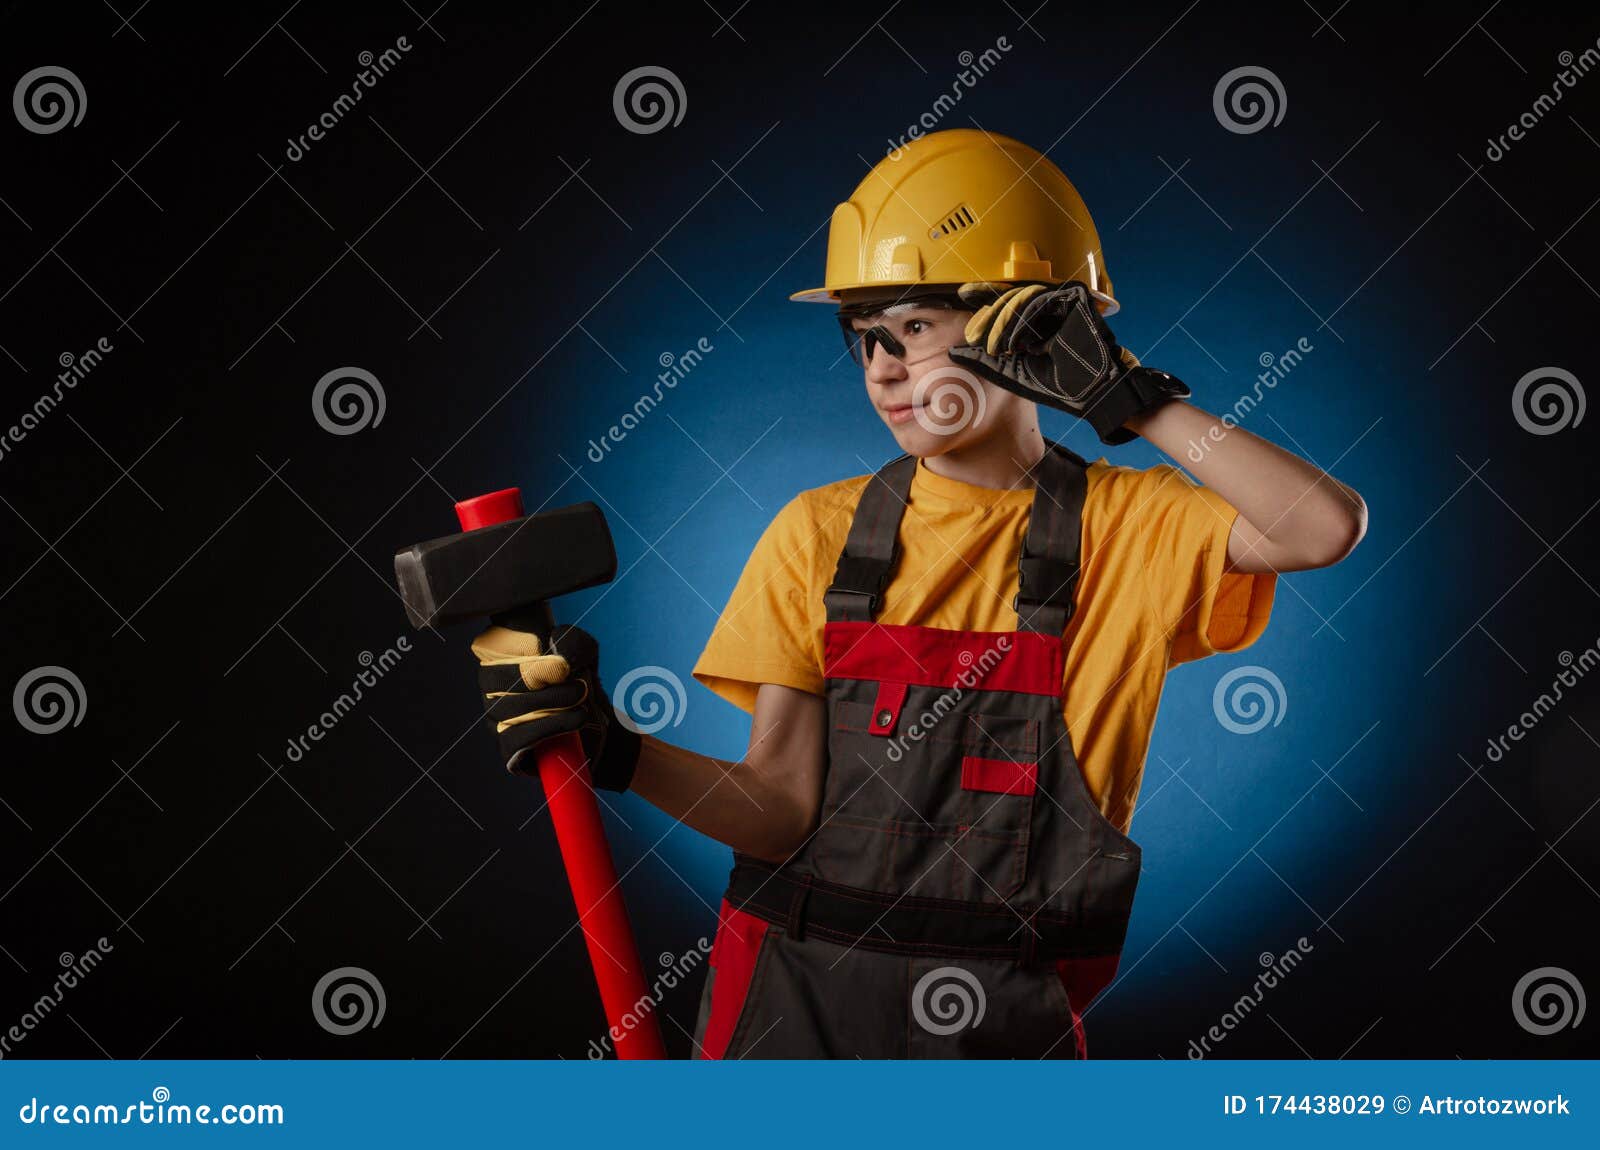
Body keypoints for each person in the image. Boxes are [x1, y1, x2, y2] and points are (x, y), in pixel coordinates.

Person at [471, 128, 1368, 1058]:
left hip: (1005, 1034)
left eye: (913, 330)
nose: (885, 371)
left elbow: (1322, 526)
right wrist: (616, 750)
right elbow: (777, 814)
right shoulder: (818, 532)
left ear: (1029, 324)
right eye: (864, 341)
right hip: (788, 1016)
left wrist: (1130, 398)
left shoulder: (1132, 527)